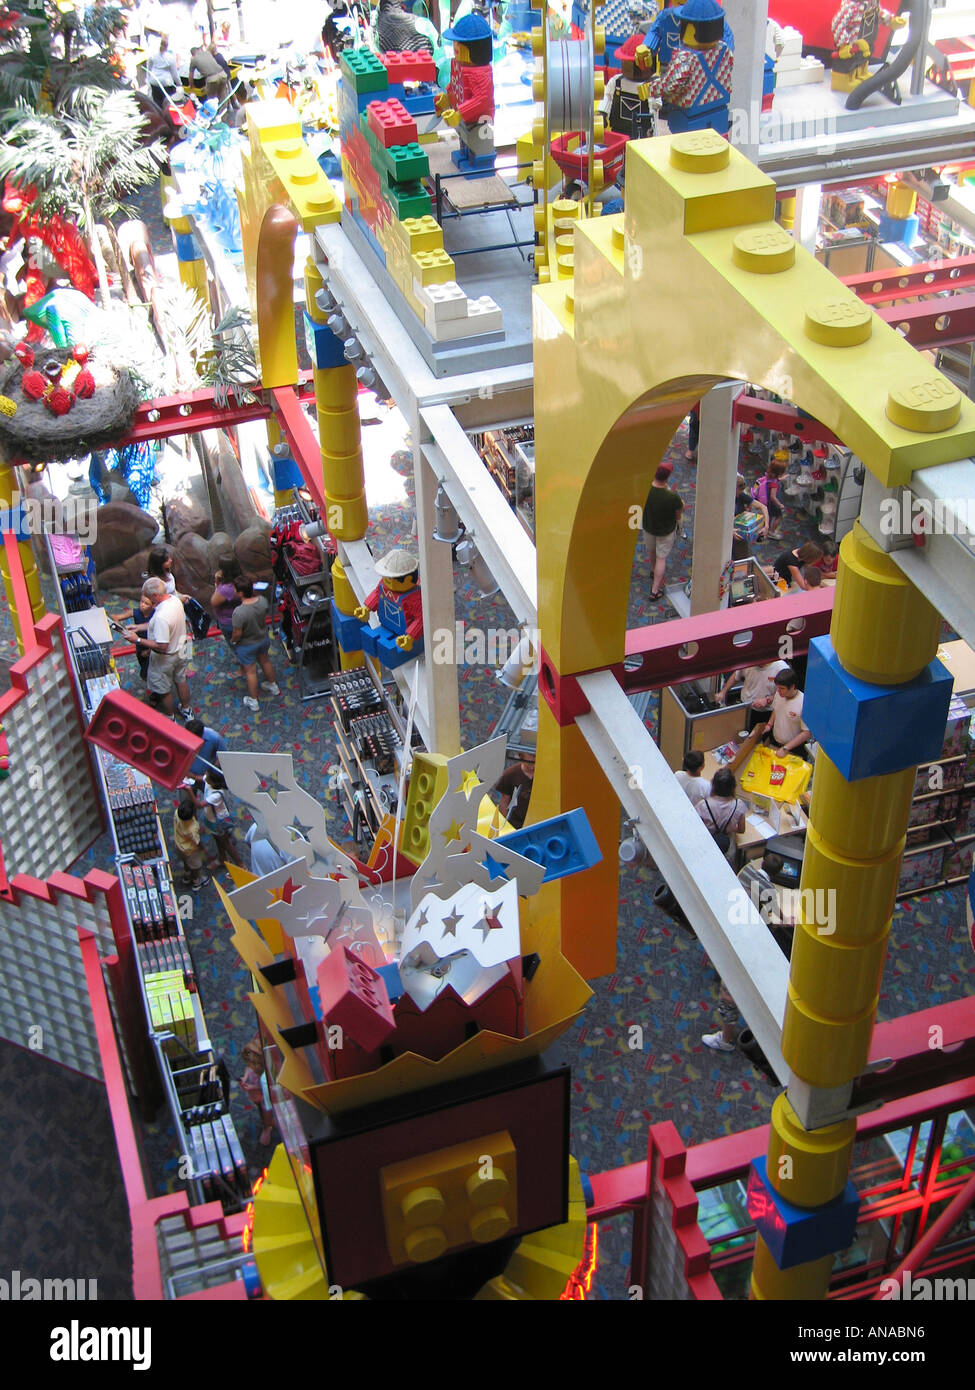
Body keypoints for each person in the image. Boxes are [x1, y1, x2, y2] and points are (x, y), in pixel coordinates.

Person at [125, 577, 192, 719]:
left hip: (165, 657)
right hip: (181, 648)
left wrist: (137, 639)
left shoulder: (161, 616)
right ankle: (187, 710)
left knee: (163, 689)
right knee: (181, 679)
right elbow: (164, 625)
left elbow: (162, 645)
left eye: (148, 597)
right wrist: (140, 627)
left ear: (155, 595)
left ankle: (170, 716)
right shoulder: (175, 600)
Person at [230, 577, 280, 712]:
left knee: (251, 672)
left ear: (241, 593)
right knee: (265, 661)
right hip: (263, 639)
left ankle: (254, 701)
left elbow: (237, 633)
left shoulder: (239, 612)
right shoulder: (262, 601)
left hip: (247, 645)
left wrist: (233, 641)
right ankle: (273, 685)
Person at [642, 465, 684, 602]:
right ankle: (655, 590)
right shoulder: (672, 497)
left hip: (648, 528)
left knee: (652, 552)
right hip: (665, 532)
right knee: (662, 558)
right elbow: (679, 513)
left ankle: (653, 571)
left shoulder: (645, 490)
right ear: (668, 477)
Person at [716, 657, 788, 734]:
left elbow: (786, 692)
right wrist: (723, 692)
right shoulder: (748, 662)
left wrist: (767, 700)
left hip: (768, 712)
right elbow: (736, 676)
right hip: (746, 709)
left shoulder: (781, 668)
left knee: (762, 738)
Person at [697, 767, 747, 863]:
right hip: (727, 849)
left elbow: (697, 827)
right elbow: (741, 829)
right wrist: (730, 827)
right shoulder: (738, 805)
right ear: (733, 787)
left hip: (706, 845)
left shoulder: (703, 805)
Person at [760, 668, 810, 755]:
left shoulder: (804, 703)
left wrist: (786, 748)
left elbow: (806, 733)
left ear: (793, 686)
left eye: (782, 688)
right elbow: (776, 709)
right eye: (777, 688)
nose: (778, 691)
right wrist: (769, 724)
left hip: (793, 749)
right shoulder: (779, 694)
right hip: (775, 742)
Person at [201, 769, 242, 866]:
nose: (205, 775)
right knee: (217, 840)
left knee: (226, 843)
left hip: (218, 822)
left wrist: (189, 790)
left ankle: (240, 864)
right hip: (211, 819)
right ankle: (222, 858)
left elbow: (199, 804)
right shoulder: (209, 781)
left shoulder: (217, 794)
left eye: (207, 774)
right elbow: (200, 778)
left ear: (212, 781)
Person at [240, 1037, 274, 1146]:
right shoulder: (258, 1062)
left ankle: (268, 1127)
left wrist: (252, 1088)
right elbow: (247, 1068)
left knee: (264, 1109)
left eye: (250, 1064)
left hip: (263, 1093)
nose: (249, 1066)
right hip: (258, 1087)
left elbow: (267, 1089)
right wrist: (245, 1077)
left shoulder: (264, 1079)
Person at [173, 792, 209, 889]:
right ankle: (197, 880)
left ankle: (187, 875)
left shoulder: (177, 813)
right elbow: (196, 841)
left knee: (185, 861)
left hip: (179, 845)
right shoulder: (192, 828)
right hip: (191, 850)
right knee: (195, 866)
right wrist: (203, 848)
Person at [494, 754, 535, 830]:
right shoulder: (510, 774)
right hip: (516, 824)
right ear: (521, 757)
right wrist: (503, 826)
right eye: (530, 763)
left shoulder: (544, 773)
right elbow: (504, 802)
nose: (533, 767)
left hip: (539, 821)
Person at [751, 455, 788, 539]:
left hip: (766, 503)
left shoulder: (767, 477)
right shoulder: (774, 484)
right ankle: (772, 532)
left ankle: (765, 529)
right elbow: (773, 497)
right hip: (772, 504)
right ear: (779, 473)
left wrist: (780, 479)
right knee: (778, 517)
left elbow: (774, 480)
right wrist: (780, 505)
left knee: (769, 515)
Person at [209, 556, 241, 646]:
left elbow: (214, 602)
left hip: (229, 622)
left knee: (234, 643)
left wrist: (217, 585)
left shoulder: (226, 589)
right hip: (241, 618)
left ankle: (241, 658)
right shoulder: (241, 580)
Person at [146, 35, 183, 104]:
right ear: (167, 47)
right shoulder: (170, 58)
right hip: (166, 83)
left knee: (157, 103)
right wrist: (179, 84)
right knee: (168, 103)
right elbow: (174, 74)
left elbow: (148, 69)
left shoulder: (152, 56)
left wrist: (148, 80)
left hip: (154, 81)